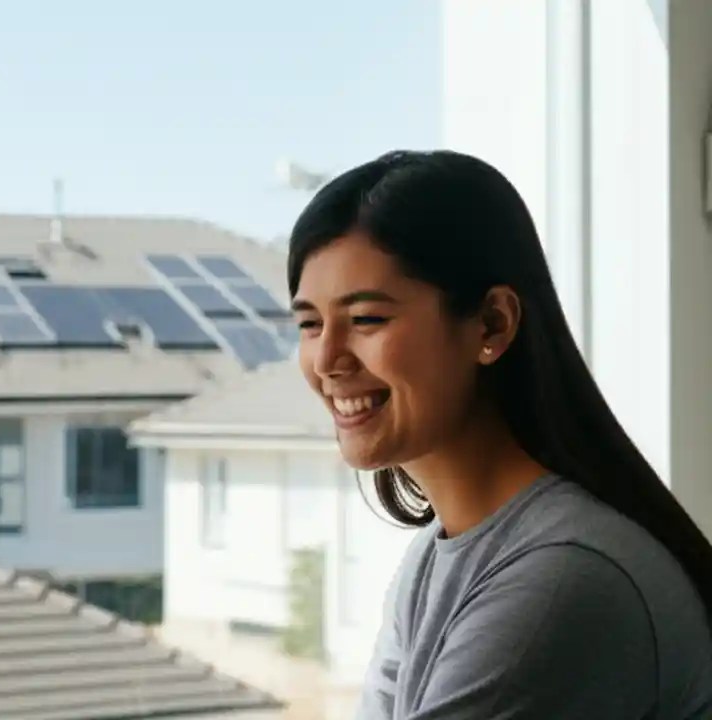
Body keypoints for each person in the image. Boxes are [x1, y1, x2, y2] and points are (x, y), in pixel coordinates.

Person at [286, 150, 712, 719]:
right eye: (310, 324)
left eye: (367, 320)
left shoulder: (559, 579)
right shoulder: (435, 558)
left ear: (492, 323)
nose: (327, 360)